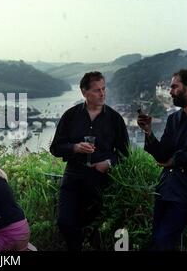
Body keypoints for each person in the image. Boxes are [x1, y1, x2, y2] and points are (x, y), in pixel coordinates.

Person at [50, 71, 129, 251]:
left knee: (95, 225)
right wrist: (74, 148)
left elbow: (125, 153)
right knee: (64, 221)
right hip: (73, 175)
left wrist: (108, 163)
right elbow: (55, 147)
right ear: (84, 92)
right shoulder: (70, 116)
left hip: (100, 179)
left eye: (103, 89)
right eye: (96, 90)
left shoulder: (115, 119)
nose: (102, 94)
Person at [137, 69, 187, 250]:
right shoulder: (174, 119)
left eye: (174, 87)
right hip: (165, 189)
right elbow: (162, 154)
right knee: (157, 240)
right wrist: (148, 131)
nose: (170, 91)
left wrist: (174, 160)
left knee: (162, 242)